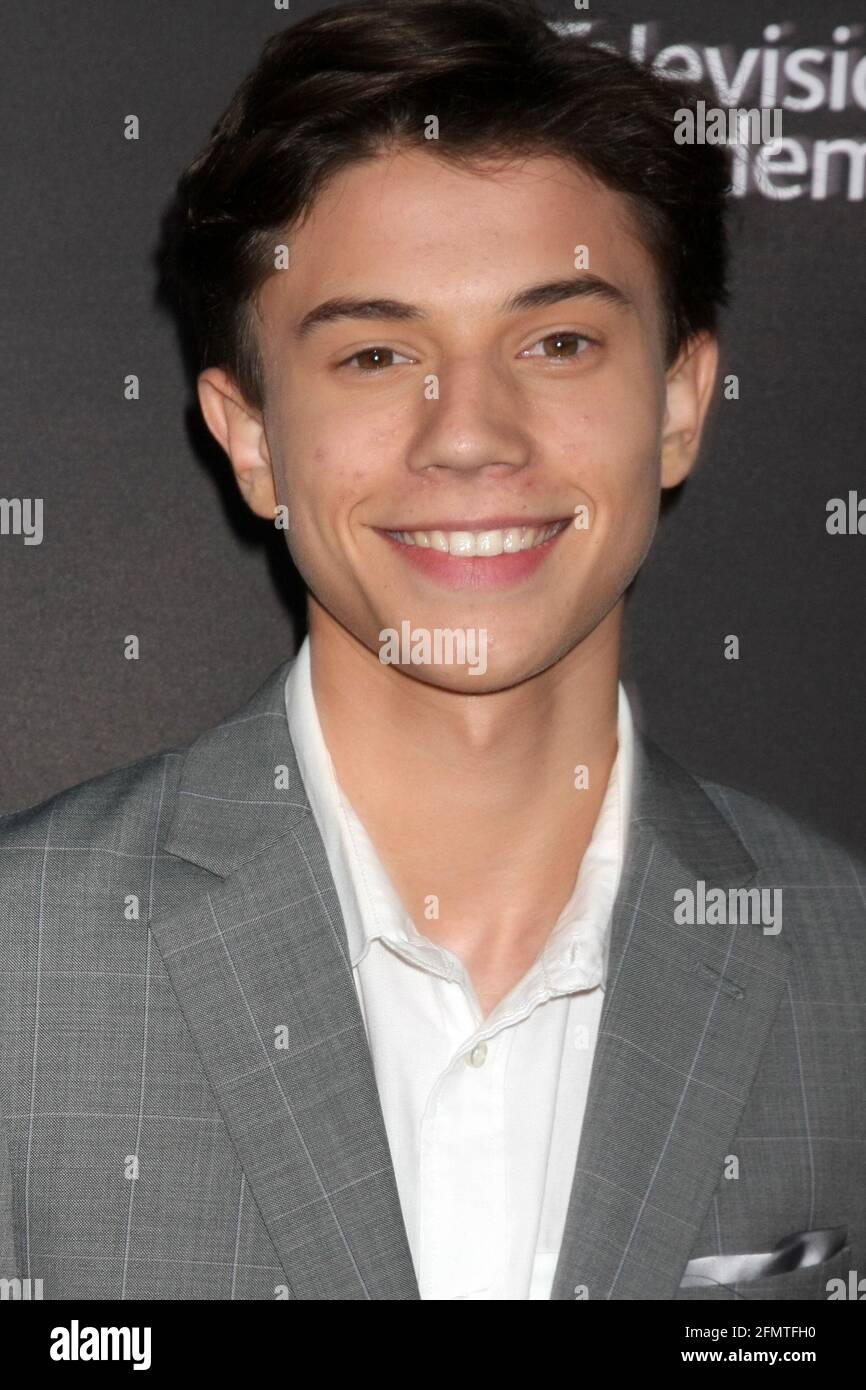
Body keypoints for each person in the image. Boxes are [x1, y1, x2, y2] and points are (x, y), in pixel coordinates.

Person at [1, 0, 863, 1301]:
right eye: (376, 351)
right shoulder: (25, 966)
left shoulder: (842, 966)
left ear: (680, 402)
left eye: (556, 341)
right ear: (248, 438)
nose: (468, 434)